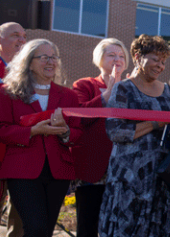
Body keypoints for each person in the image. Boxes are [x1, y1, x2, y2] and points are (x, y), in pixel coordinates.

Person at [98, 34, 170, 237]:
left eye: (163, 62)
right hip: (130, 178)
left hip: (161, 177)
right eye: (155, 59)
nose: (160, 66)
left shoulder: (167, 91)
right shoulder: (123, 88)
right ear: (137, 57)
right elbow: (115, 131)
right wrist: (156, 122)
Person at [0, 39, 81, 237]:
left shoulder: (68, 95)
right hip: (21, 170)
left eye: (54, 57)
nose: (51, 62)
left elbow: (78, 132)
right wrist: (33, 131)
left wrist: (65, 132)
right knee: (35, 228)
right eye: (44, 57)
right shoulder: (8, 92)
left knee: (45, 231)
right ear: (28, 62)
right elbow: (0, 130)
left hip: (58, 171)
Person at [71, 38, 128, 237]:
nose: (117, 59)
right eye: (111, 55)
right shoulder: (84, 84)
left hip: (123, 169)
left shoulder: (131, 88)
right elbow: (79, 117)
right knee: (88, 225)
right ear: (99, 58)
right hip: (92, 168)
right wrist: (109, 93)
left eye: (121, 56)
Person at [0, 22, 27, 237]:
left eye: (24, 36)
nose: (21, 40)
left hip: (21, 153)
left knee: (21, 219)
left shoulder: (29, 72)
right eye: (15, 35)